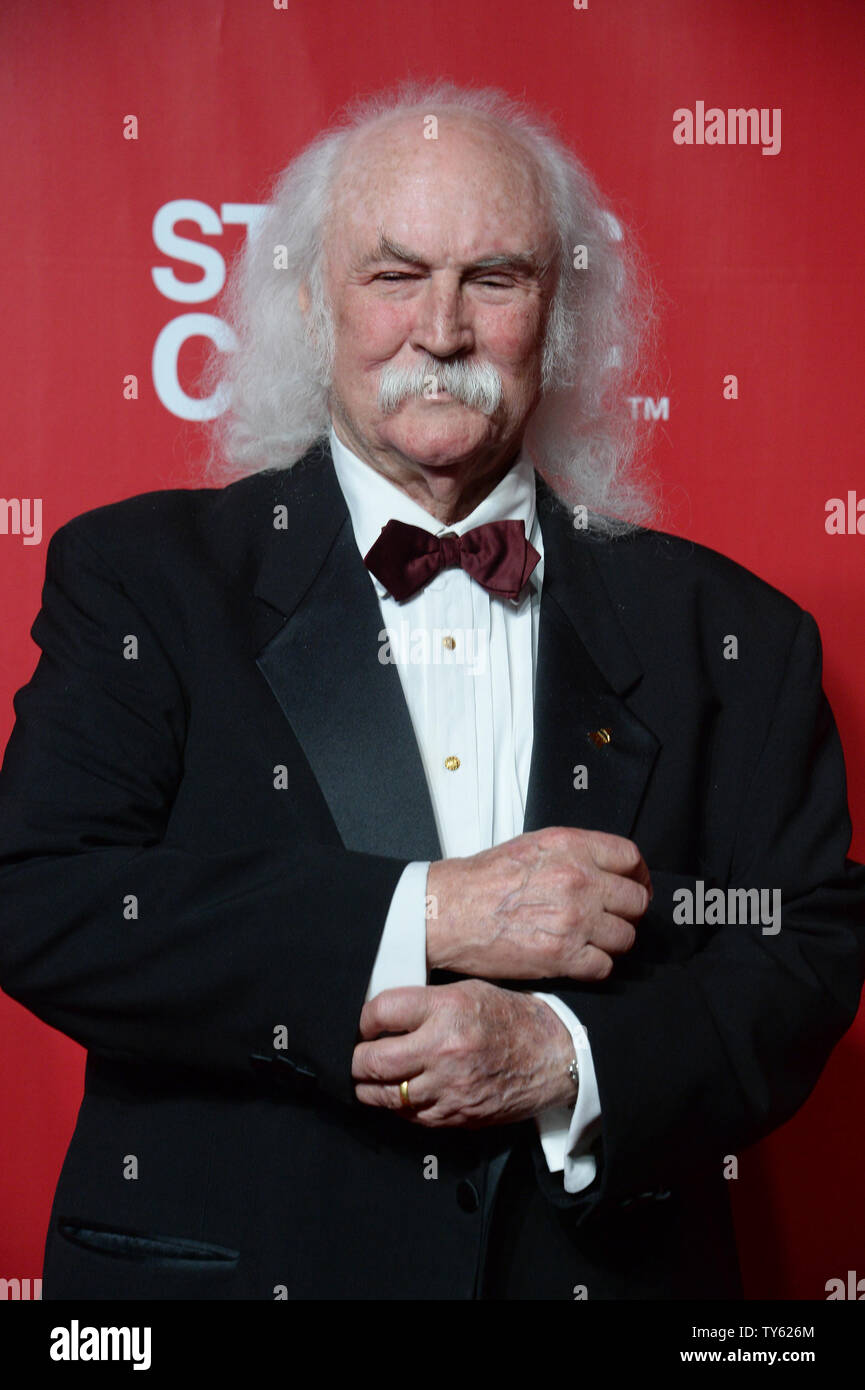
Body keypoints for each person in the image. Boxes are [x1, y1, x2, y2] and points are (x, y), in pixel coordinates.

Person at [1, 80, 863, 1301]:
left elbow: (793, 939)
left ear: (561, 319)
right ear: (309, 301)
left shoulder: (736, 632)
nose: (442, 330)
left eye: (494, 280)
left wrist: (568, 1057)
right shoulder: (142, 579)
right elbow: (46, 896)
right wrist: (423, 915)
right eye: (393, 275)